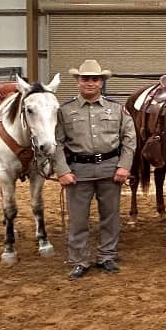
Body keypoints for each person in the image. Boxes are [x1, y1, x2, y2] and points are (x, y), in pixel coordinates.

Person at [52, 60, 136, 280]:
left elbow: (129, 140)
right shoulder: (65, 111)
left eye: (94, 79)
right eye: (85, 79)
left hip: (110, 171)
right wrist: (62, 170)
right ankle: (80, 260)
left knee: (110, 217)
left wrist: (124, 166)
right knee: (78, 220)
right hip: (78, 172)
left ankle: (107, 256)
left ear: (101, 82)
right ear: (78, 82)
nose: (90, 83)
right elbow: (57, 143)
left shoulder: (117, 109)